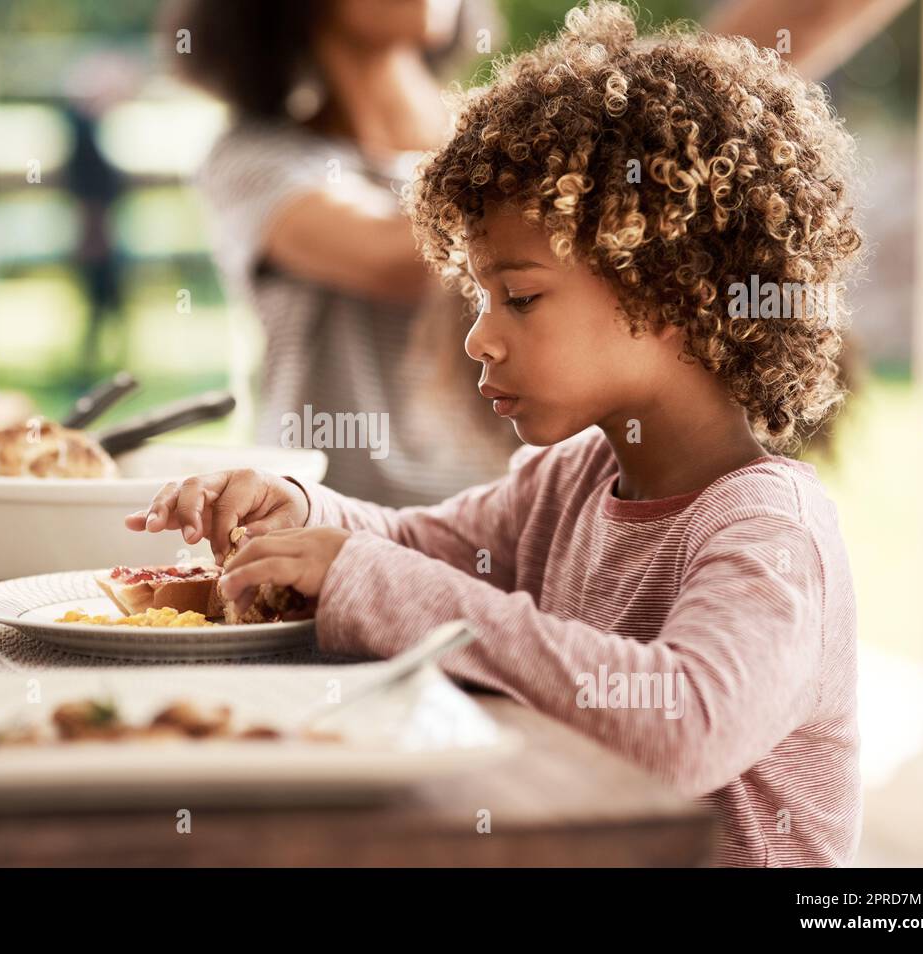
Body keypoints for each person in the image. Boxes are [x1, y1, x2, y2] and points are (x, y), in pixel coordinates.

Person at [131, 2, 865, 866]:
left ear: (670, 293)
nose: (477, 335)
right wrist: (292, 511)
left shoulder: (768, 534)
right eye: (477, 296)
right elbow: (412, 544)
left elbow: (684, 726)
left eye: (518, 296)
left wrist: (369, 576)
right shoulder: (568, 481)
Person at [167, 0, 519, 506]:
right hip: (320, 526)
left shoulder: (501, 152)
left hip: (501, 522)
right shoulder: (252, 159)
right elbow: (393, 260)